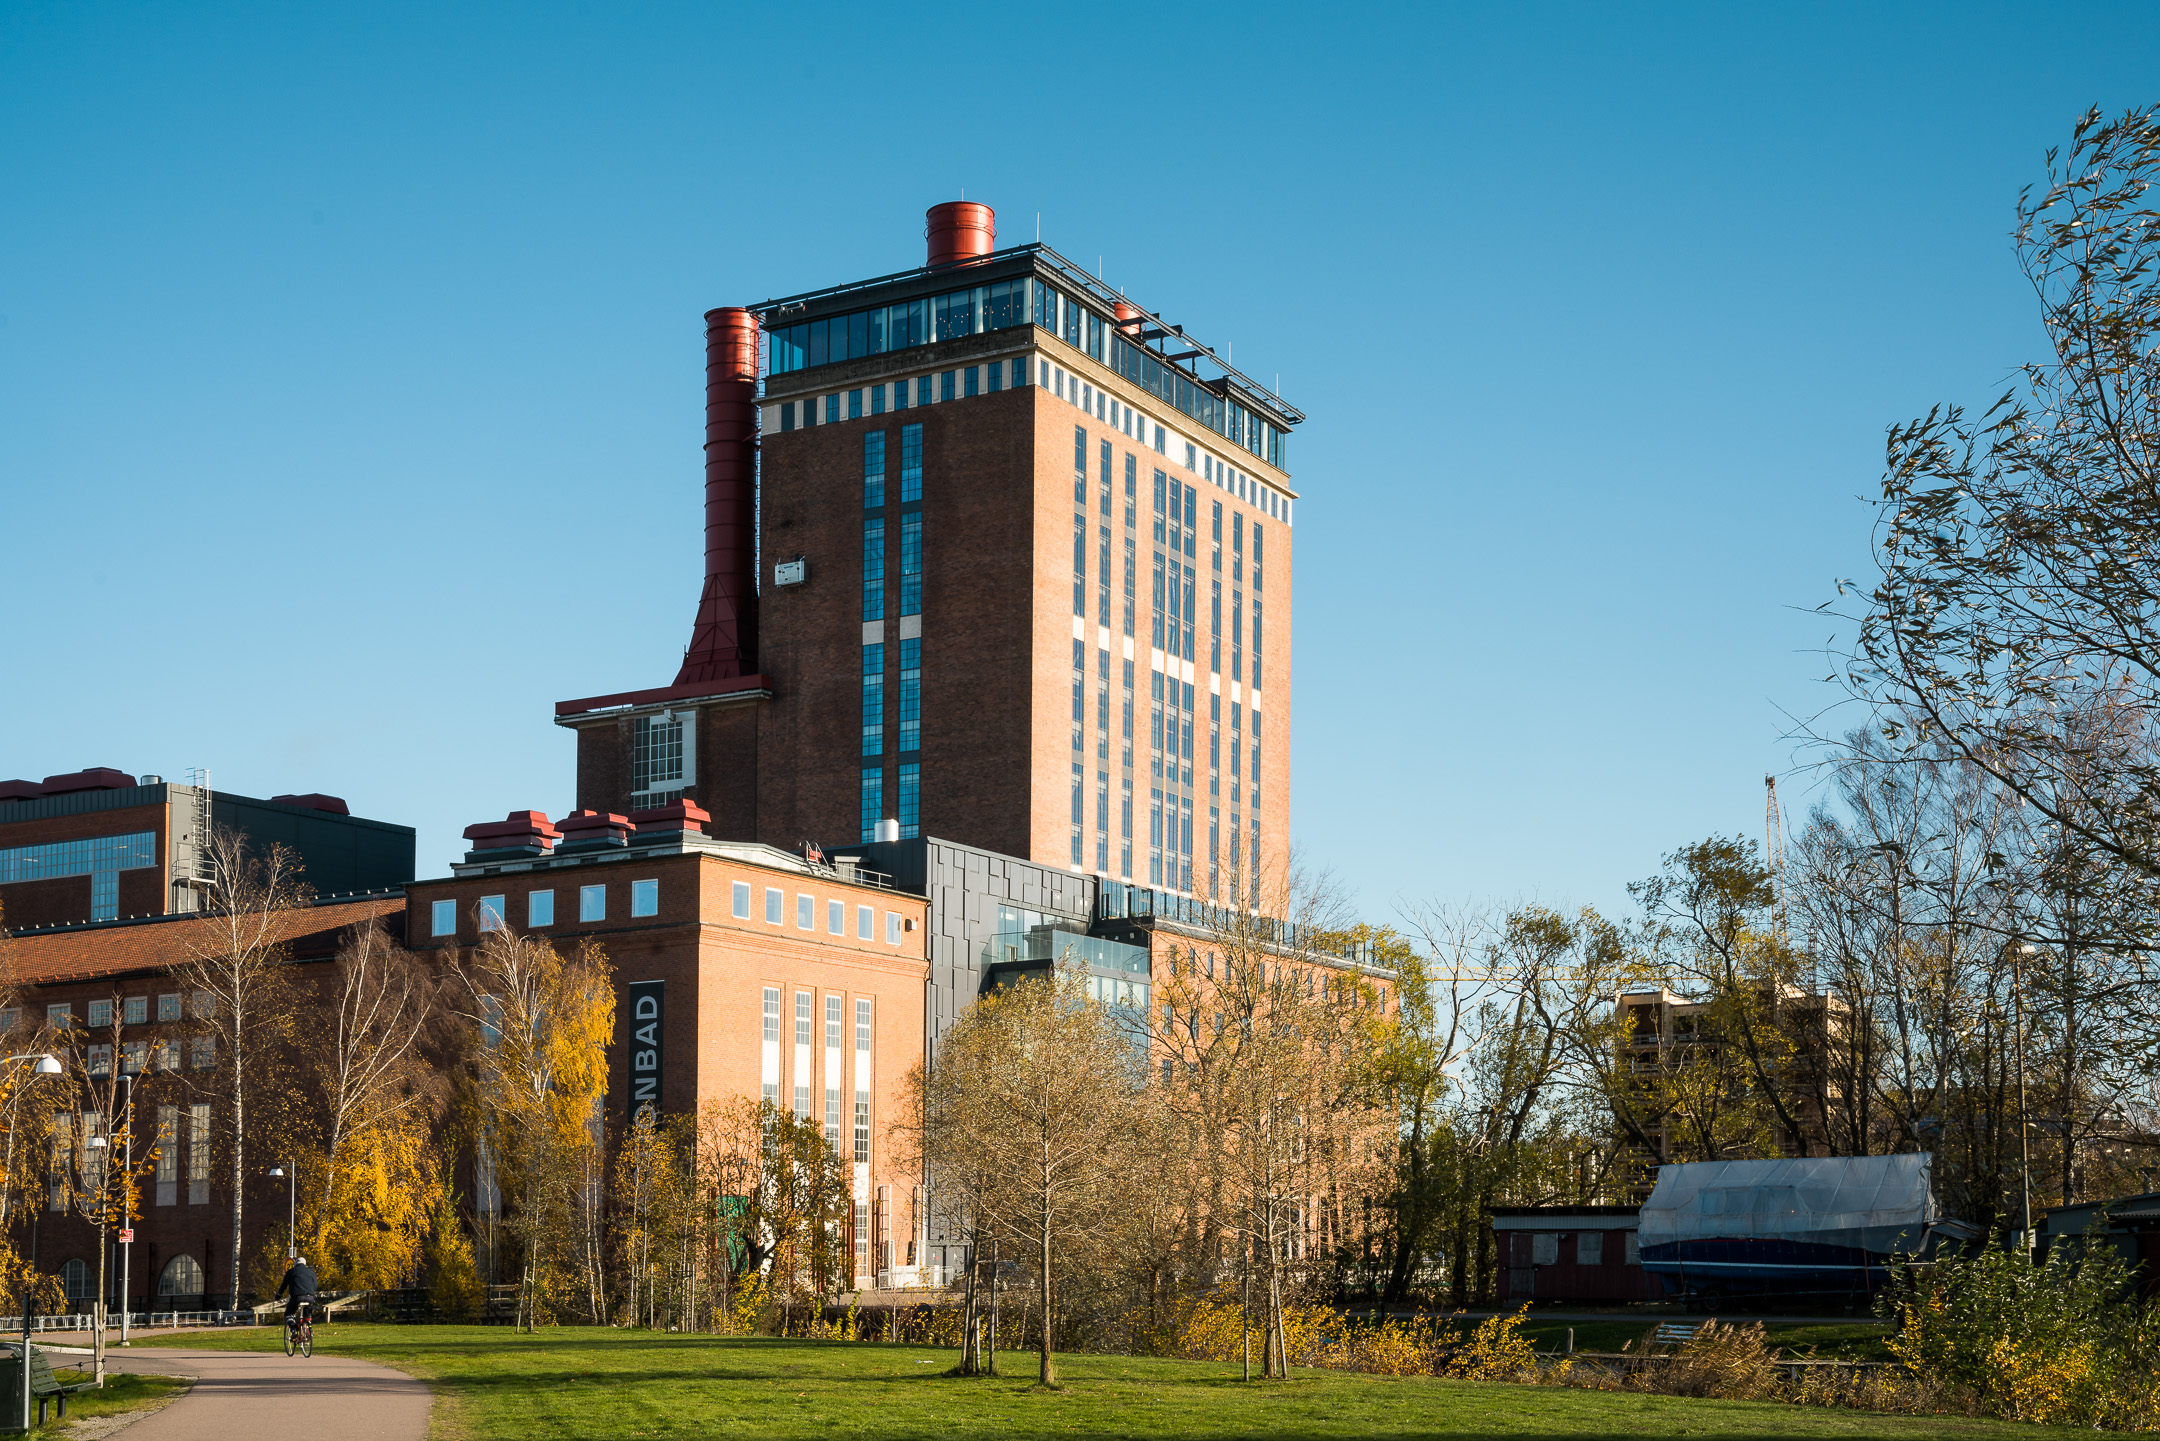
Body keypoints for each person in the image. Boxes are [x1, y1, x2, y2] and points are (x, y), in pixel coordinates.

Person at [275, 1256, 319, 1328]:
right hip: (310, 1297)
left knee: (289, 1314)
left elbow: (284, 1285)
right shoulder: (311, 1272)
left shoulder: (291, 1271)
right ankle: (307, 1324)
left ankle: (293, 1329)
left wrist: (279, 1295)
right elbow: (315, 1285)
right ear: (304, 1264)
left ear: (295, 1264)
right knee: (307, 1314)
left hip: (297, 1297)